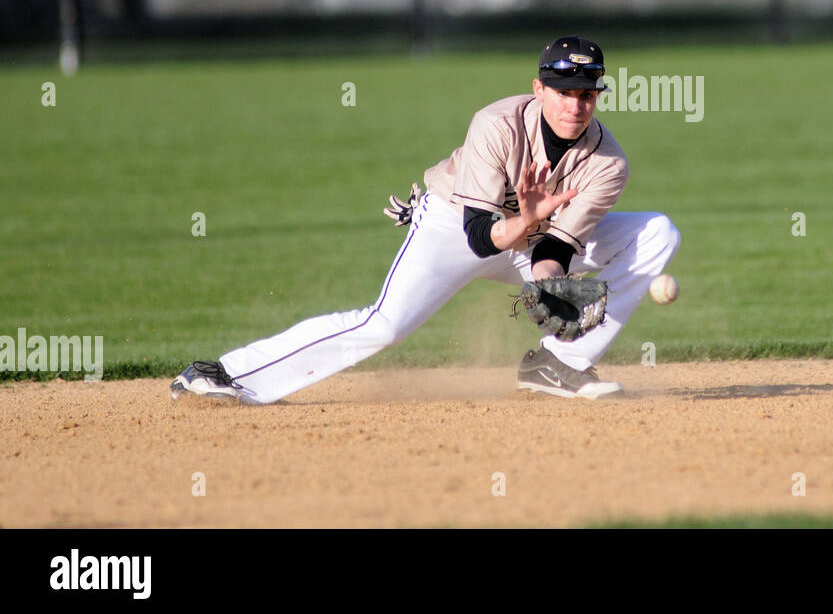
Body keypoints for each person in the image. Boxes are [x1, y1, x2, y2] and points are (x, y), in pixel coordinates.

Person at [170, 35, 680, 402]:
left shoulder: (608, 162)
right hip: (454, 226)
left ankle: (559, 363)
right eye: (564, 90)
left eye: (586, 92)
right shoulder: (497, 125)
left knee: (658, 231)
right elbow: (482, 238)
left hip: (533, 239)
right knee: (384, 325)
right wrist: (526, 221)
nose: (575, 103)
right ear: (539, 88)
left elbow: (555, 251)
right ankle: (231, 373)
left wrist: (549, 286)